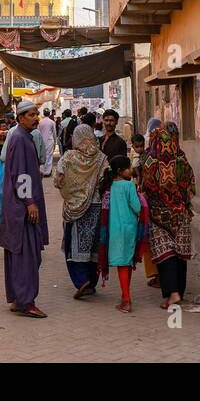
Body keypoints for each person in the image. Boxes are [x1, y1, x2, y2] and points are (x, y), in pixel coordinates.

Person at [0, 100, 49, 318]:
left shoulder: (24, 137)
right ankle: (25, 301)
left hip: (20, 206)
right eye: (31, 115)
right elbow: (20, 175)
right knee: (26, 255)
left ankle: (20, 298)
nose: (35, 118)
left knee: (23, 254)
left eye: (36, 114)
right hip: (21, 209)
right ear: (20, 118)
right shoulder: (19, 139)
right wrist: (29, 202)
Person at [143, 121, 195, 309]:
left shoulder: (151, 161)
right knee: (180, 254)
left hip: (159, 217)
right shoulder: (181, 158)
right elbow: (191, 184)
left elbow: (145, 186)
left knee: (166, 255)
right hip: (181, 214)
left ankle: (172, 293)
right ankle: (179, 291)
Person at [54, 124, 105, 298]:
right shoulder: (101, 158)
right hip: (96, 206)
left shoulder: (68, 158)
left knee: (73, 244)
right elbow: (107, 180)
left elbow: (58, 180)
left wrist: (72, 189)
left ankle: (81, 280)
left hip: (74, 209)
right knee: (93, 245)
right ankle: (92, 281)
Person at [100, 155, 143, 313]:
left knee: (122, 263)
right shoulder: (129, 186)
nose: (131, 170)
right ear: (120, 171)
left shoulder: (109, 186)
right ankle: (126, 298)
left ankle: (126, 297)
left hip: (115, 231)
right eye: (128, 167)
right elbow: (137, 207)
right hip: (129, 229)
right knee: (127, 263)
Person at [136, 119, 161, 287]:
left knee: (154, 241)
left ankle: (159, 275)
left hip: (154, 206)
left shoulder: (149, 156)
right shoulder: (147, 155)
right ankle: (157, 275)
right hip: (154, 205)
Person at [37, 107, 58, 177]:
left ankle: (42, 171)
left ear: (43, 113)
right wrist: (55, 142)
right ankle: (48, 172)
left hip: (42, 141)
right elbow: (54, 133)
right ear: (49, 114)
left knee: (42, 155)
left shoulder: (40, 122)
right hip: (49, 141)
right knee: (49, 156)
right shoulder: (52, 122)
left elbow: (38, 132)